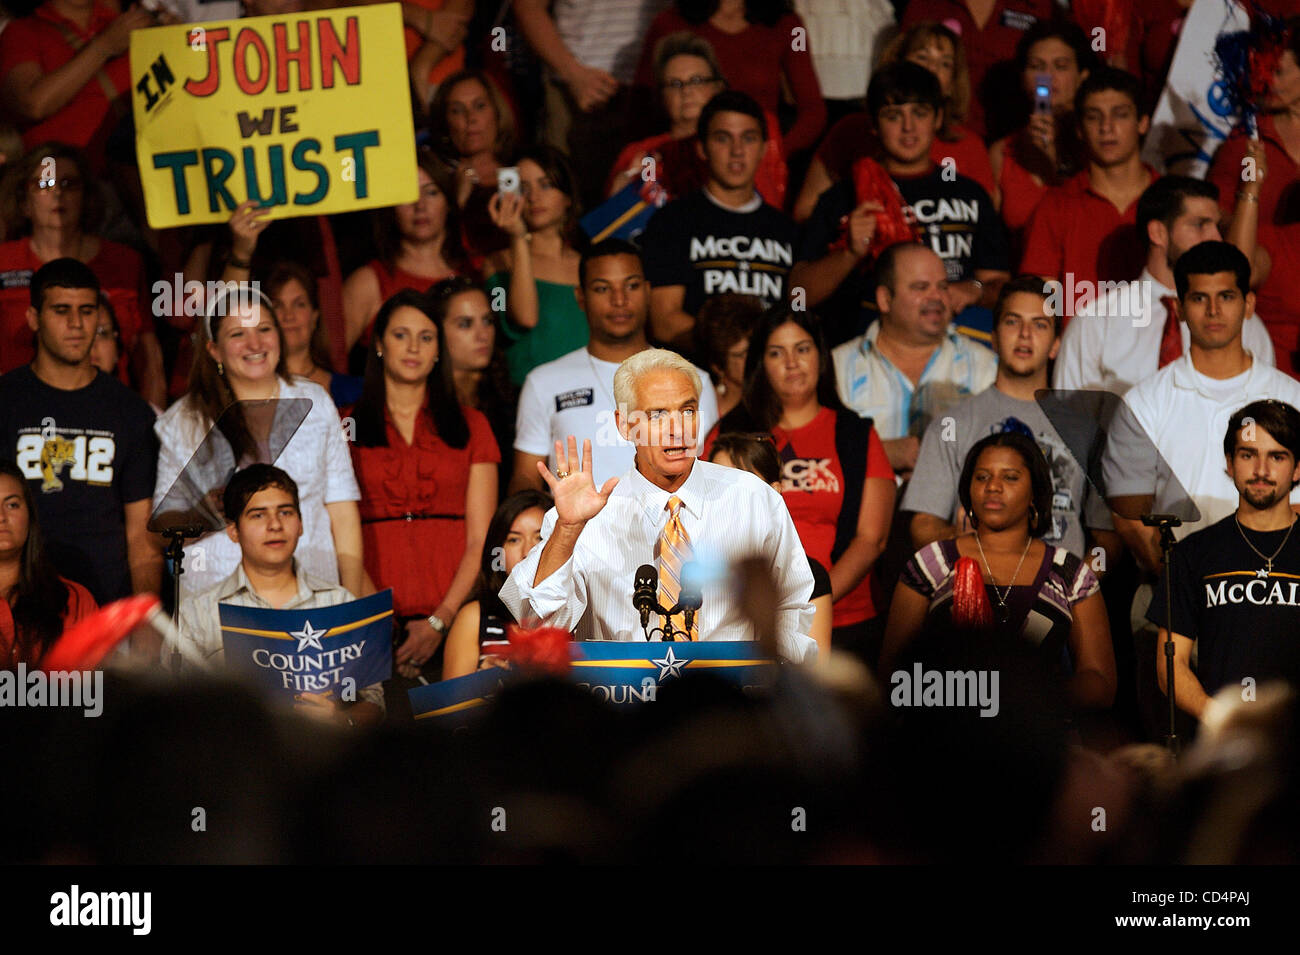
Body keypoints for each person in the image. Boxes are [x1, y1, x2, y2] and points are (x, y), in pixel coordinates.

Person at [499, 348, 818, 661]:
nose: (677, 429)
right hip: (622, 707)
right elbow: (537, 623)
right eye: (658, 415)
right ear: (625, 425)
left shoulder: (754, 499)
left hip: (730, 706)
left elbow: (793, 607)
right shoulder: (585, 518)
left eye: (688, 411)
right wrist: (568, 530)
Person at [153, 284, 364, 602]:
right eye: (238, 334)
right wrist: (204, 511)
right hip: (220, 604)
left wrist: (351, 600)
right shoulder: (184, 420)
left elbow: (343, 510)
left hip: (311, 598)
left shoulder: (316, 402)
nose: (255, 343)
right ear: (214, 350)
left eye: (264, 329)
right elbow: (162, 529)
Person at [883, 431, 1117, 711]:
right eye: (982, 477)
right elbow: (892, 673)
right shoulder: (932, 563)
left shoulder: (1070, 573)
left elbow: (1101, 681)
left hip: (1041, 738)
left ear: (1035, 493)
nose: (993, 486)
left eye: (1010, 477)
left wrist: (1035, 696)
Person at [1102, 241, 1300, 572]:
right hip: (1172, 598)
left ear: (1248, 304)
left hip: (1276, 596)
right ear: (1179, 307)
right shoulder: (1143, 403)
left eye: (1226, 296)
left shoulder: (1292, 398)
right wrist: (1185, 592)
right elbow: (1132, 519)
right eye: (1198, 298)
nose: (1213, 310)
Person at [705, 307, 895, 651]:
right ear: (761, 364)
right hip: (744, 618)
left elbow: (871, 540)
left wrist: (811, 600)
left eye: (802, 349)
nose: (792, 363)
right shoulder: (729, 433)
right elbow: (705, 526)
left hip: (845, 619)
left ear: (821, 357)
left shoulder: (855, 434)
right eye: (777, 352)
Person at [792, 63, 1010, 346]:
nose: (908, 127)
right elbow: (798, 294)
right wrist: (849, 253)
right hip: (868, 355)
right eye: (893, 115)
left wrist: (975, 290)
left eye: (919, 113)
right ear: (872, 123)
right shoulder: (844, 196)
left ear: (938, 118)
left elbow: (1001, 286)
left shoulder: (970, 194)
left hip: (957, 354)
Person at [905, 276, 1115, 561]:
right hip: (976, 590)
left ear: (1055, 345)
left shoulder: (1085, 431)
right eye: (1013, 322)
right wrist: (956, 539)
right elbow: (923, 525)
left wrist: (1078, 588)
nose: (1025, 334)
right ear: (993, 337)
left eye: (1039, 324)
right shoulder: (952, 424)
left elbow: (1107, 539)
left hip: (1059, 596)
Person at [348, 289, 499, 678]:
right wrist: (380, 622)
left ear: (438, 351)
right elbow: (335, 533)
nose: (413, 346)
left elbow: (480, 540)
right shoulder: (341, 425)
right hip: (368, 624)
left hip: (456, 622)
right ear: (378, 343)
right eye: (400, 334)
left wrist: (440, 621)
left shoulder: (473, 425)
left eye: (426, 336)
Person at [167, 464, 384, 727]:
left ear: (301, 524)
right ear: (233, 531)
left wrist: (339, 719)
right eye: (258, 516)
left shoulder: (340, 603)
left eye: (285, 512)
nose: (275, 525)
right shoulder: (197, 613)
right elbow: (173, 711)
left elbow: (374, 704)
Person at [0, 258, 159, 610]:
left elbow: (141, 532)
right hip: (16, 612)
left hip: (106, 610)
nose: (76, 324)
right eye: (61, 310)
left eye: (87, 311)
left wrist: (146, 620)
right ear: (33, 318)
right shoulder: (5, 401)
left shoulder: (131, 412)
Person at [510, 239, 719, 494]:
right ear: (581, 297)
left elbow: (708, 475)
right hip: (578, 531)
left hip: (672, 531)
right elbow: (525, 480)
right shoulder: (544, 382)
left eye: (631, 286)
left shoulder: (692, 380)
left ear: (647, 291)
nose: (619, 300)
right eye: (602, 289)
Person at [1054, 177, 1275, 396]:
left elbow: (1267, 412)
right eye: (1200, 225)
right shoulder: (1096, 323)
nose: (1216, 237)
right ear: (1158, 233)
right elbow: (1069, 420)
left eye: (1217, 226)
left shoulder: (1243, 322)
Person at [1150, 400, 1300, 722]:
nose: (1261, 470)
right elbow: (1170, 667)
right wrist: (1222, 721)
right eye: (1248, 455)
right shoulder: (1192, 554)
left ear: (1298, 467)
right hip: (1220, 749)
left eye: (1277, 456)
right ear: (1230, 463)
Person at [0, 143, 163, 406]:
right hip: (17, 415)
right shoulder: (3, 263)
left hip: (109, 414)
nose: (57, 195)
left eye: (68, 184)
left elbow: (149, 359)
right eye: (44, 185)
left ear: (87, 197)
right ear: (23, 202)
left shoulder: (124, 262)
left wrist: (152, 427)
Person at [642, 89, 798, 353]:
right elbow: (665, 322)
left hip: (772, 375)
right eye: (723, 138)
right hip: (700, 378)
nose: (737, 151)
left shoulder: (787, 230)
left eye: (748, 138)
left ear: (763, 148)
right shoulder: (672, 222)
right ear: (702, 148)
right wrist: (735, 353)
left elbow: (799, 312)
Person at [794, 21, 995, 223]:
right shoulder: (851, 130)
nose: (932, 69)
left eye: (945, 63)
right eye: (922, 57)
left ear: (952, 83)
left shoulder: (968, 146)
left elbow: (982, 225)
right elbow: (805, 211)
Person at [830, 243, 999, 478]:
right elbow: (813, 459)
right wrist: (880, 453)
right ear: (885, 299)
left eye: (942, 286)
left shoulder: (986, 368)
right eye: (921, 287)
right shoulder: (838, 368)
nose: (936, 297)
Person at [514, 0, 676, 210]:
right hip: (577, 87)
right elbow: (527, 6)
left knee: (652, 202)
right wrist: (572, 73)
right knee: (566, 199)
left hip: (653, 85)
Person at [1208, 19, 1300, 376]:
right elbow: (1223, 225)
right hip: (1267, 289)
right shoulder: (1243, 147)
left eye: (1279, 71)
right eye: (1263, 71)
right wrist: (1249, 195)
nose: (1269, 81)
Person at [608, 31, 786, 207]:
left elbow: (768, 205)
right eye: (675, 84)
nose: (686, 91)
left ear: (718, 87)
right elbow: (610, 226)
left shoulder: (748, 129)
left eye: (697, 80)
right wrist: (623, 191)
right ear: (661, 96)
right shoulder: (639, 153)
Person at [1020, 67, 1156, 296]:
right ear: (1080, 129)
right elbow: (1039, 299)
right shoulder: (1056, 206)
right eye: (1094, 117)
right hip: (1077, 332)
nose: (1106, 127)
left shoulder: (1173, 201)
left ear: (1142, 123)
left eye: (1120, 114)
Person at [636, 1, 826, 160]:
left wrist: (772, 154)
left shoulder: (792, 29)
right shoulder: (667, 24)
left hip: (760, 165)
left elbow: (812, 111)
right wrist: (654, 164)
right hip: (684, 163)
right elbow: (640, 109)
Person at [706, 432, 832, 657]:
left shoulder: (809, 576)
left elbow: (815, 675)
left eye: (742, 484)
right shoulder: (694, 570)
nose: (727, 498)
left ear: (775, 491)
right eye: (717, 484)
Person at [0, 0, 162, 173]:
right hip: (71, 183)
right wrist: (105, 46)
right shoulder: (22, 32)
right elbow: (32, 104)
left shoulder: (123, 21)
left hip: (146, 168)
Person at [343, 152, 471, 354]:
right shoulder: (367, 283)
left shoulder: (477, 271)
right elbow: (332, 362)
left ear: (448, 202)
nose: (420, 205)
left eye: (431, 192)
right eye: (407, 195)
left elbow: (502, 314)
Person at [987, 21, 1095, 255]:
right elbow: (988, 240)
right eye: (1037, 66)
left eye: (1061, 66)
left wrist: (1054, 165)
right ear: (1023, 77)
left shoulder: (1097, 142)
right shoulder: (1003, 152)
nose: (1048, 77)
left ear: (1082, 76)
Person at [485, 144, 587, 385]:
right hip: (527, 397)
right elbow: (525, 318)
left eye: (545, 184)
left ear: (568, 196)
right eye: (523, 187)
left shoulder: (588, 266)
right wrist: (517, 237)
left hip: (587, 397)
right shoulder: (497, 265)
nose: (533, 197)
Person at [899, 0, 1057, 141]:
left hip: (1016, 146)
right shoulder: (924, 5)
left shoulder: (1038, 5)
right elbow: (899, 75)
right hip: (935, 137)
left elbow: (1053, 72)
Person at [442, 489, 552, 680]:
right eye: (514, 539)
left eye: (540, 537)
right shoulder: (474, 617)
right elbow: (448, 707)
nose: (528, 552)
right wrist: (479, 682)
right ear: (498, 555)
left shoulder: (585, 612)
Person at [0, 458, 97, 667]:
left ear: (29, 515)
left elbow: (98, 689)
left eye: (12, 504)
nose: (1, 516)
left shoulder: (74, 600)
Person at [433, 276, 516, 491]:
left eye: (487, 321)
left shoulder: (511, 400)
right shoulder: (419, 403)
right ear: (433, 331)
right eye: (465, 324)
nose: (483, 335)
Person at [428, 69, 516, 257]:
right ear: (445, 121)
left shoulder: (521, 169)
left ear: (497, 112)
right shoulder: (435, 180)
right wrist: (457, 200)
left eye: (480, 106)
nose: (470, 118)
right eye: (457, 110)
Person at [267, 261, 362, 409]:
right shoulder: (249, 390)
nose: (288, 316)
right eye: (277, 306)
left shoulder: (355, 391)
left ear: (314, 317)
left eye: (299, 304)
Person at [696, 292, 762, 420]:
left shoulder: (777, 403)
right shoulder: (700, 410)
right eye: (743, 354)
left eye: (758, 348)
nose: (756, 358)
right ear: (718, 367)